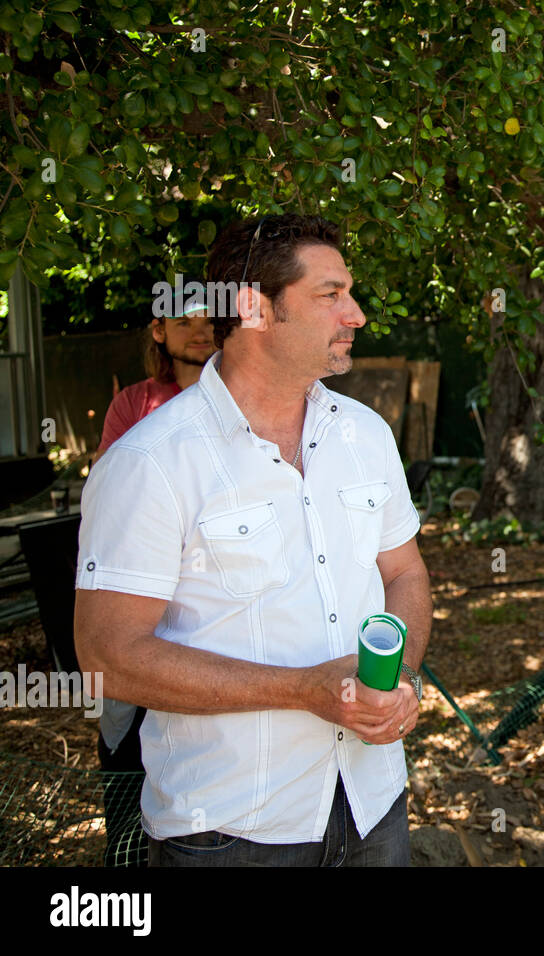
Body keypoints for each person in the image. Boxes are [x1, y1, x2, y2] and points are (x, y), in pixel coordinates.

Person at [74, 214, 431, 866]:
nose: (354, 315)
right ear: (254, 308)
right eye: (330, 295)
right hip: (232, 832)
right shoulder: (150, 463)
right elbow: (108, 657)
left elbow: (404, 574)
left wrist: (397, 677)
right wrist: (302, 690)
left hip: (374, 803)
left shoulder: (366, 435)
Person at [93, 299, 215, 868]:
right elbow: (114, 502)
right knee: (125, 742)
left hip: (208, 611)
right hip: (140, 602)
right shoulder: (135, 404)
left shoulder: (235, 403)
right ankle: (124, 867)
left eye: (208, 317)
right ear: (159, 330)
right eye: (183, 319)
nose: (199, 329)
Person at [97, 300, 215, 454]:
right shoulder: (132, 403)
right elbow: (107, 474)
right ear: (159, 331)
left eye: (211, 322)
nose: (199, 336)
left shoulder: (244, 395)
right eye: (184, 323)